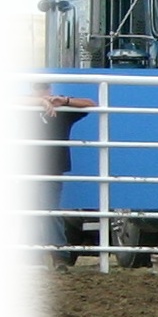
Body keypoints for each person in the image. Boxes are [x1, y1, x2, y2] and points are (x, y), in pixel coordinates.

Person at [31, 86, 94, 264]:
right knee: (37, 211)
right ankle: (51, 255)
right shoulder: (27, 108)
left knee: (48, 210)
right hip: (31, 167)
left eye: (44, 89)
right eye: (40, 90)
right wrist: (41, 102)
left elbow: (89, 104)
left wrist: (64, 101)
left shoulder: (61, 109)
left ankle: (57, 255)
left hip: (49, 167)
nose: (43, 92)